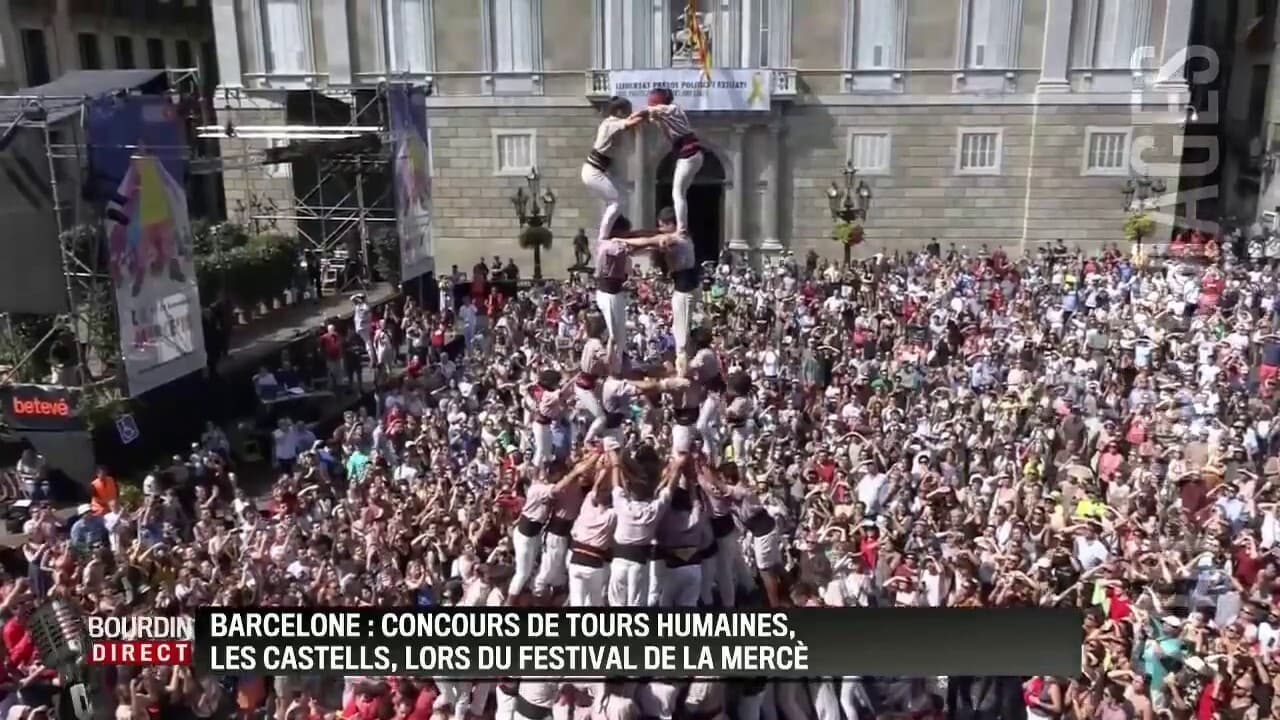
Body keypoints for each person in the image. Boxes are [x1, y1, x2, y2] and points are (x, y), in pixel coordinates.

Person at [633, 88, 703, 235]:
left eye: (653, 102)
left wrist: (627, 119)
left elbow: (646, 111)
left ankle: (681, 229)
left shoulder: (672, 109)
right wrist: (657, 121)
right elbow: (658, 122)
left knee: (677, 193)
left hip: (689, 154)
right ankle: (681, 226)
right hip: (690, 155)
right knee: (681, 192)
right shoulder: (665, 116)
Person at [582, 97, 645, 243]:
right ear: (619, 111)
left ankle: (613, 227)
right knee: (617, 201)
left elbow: (630, 120)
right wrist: (649, 114)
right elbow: (631, 123)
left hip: (600, 170)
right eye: (628, 111)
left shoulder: (613, 123)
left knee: (623, 197)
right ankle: (603, 237)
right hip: (593, 171)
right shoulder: (610, 124)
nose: (630, 114)